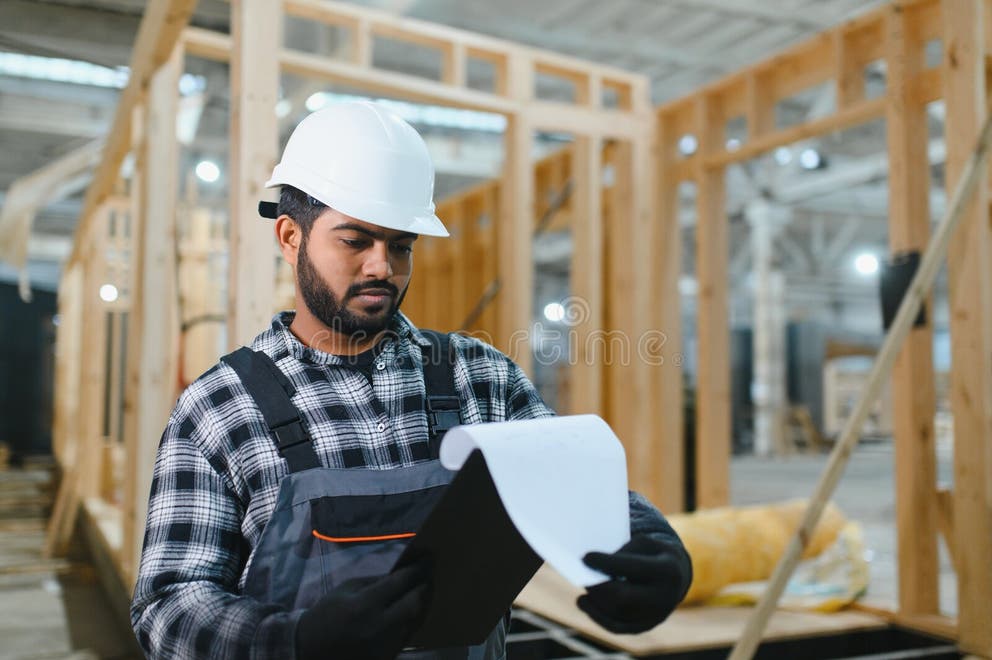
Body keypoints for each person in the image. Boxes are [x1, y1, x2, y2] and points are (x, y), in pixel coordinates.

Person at [130, 100, 692, 659]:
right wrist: (290, 640)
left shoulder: (482, 380)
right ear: (289, 237)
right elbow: (166, 606)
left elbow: (571, 486)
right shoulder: (221, 407)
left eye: (401, 246)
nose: (382, 267)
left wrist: (645, 540)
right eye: (355, 240)